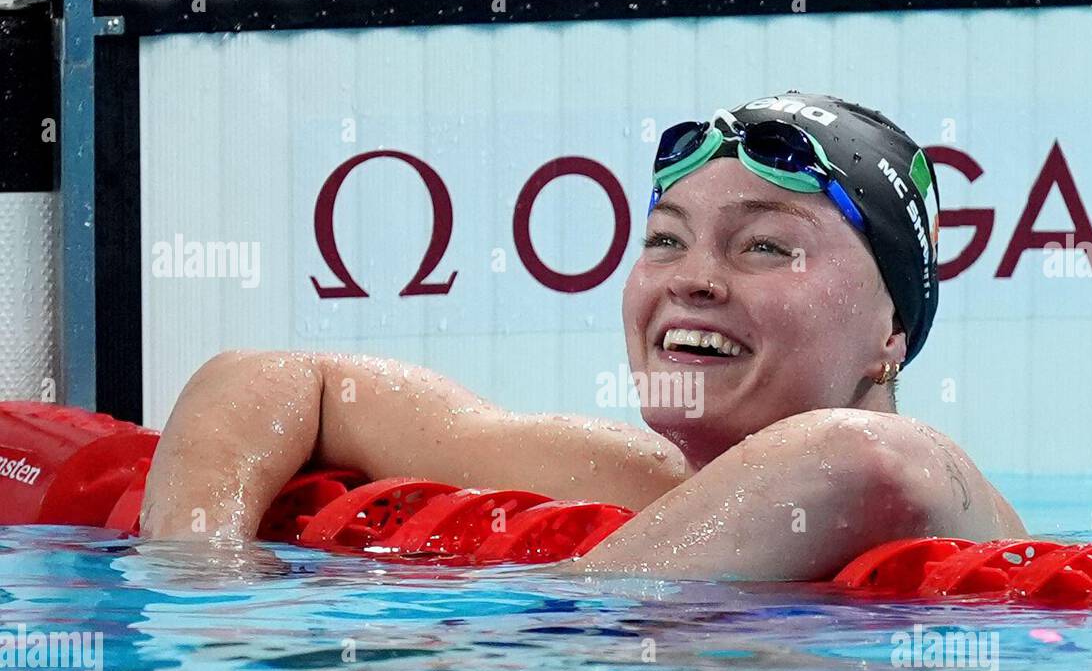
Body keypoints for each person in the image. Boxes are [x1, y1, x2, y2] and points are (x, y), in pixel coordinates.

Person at [141, 91, 1025, 580]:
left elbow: (863, 460)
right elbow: (279, 378)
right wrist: (202, 576)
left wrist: (552, 642)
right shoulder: (625, 478)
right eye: (666, 239)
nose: (692, 278)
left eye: (763, 246)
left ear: (891, 331)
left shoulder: (938, 491)